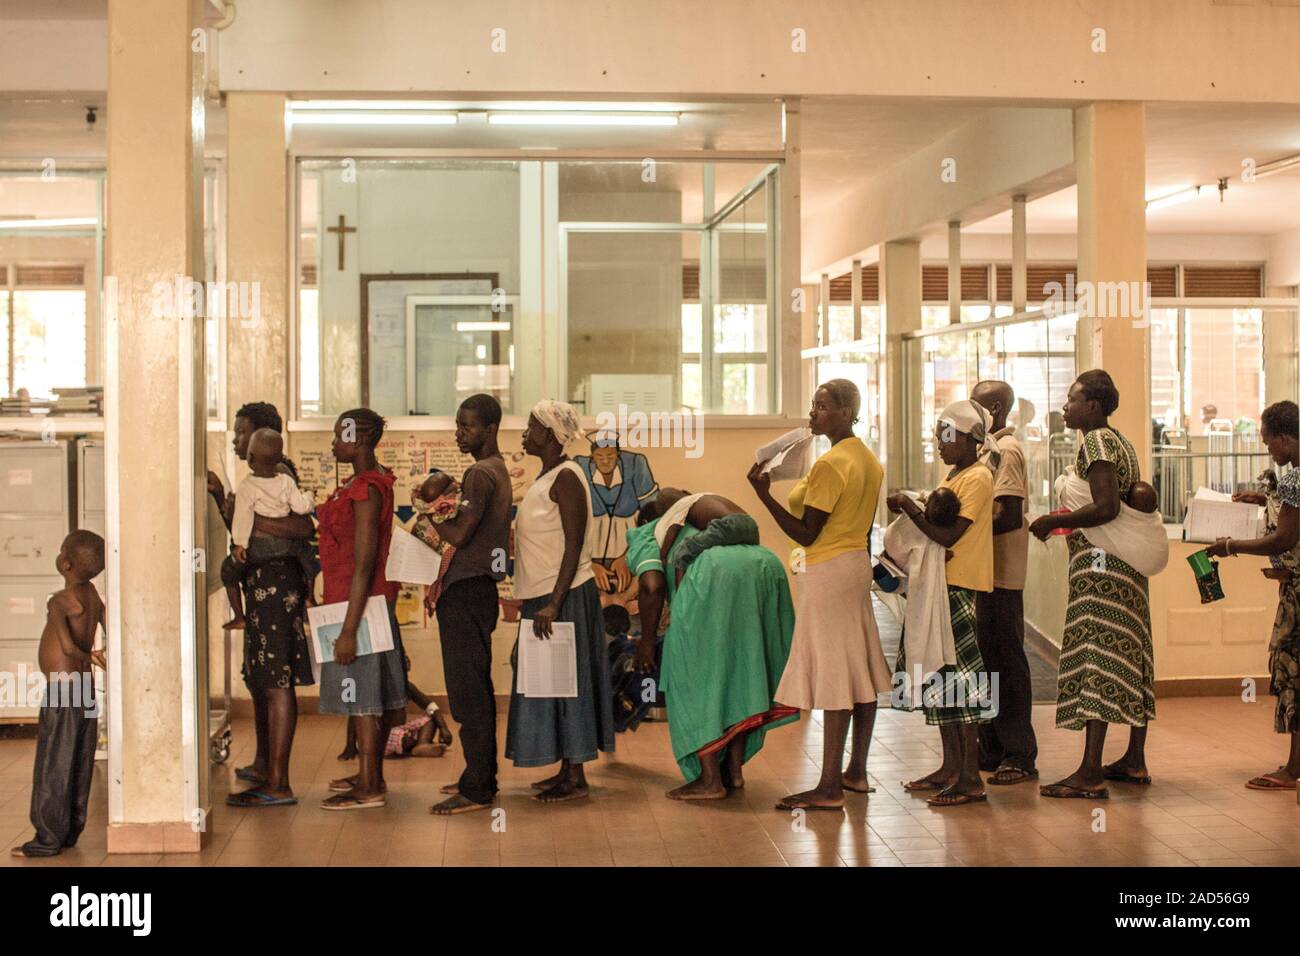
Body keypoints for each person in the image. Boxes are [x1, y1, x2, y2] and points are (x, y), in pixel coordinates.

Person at [747, 379, 892, 812]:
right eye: (813, 405)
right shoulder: (867, 459)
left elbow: (807, 532)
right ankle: (856, 770)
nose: (813, 413)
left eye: (823, 406)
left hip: (827, 569)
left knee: (834, 672)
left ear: (847, 413)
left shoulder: (831, 464)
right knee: (859, 669)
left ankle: (829, 786)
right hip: (852, 564)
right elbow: (860, 528)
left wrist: (763, 497)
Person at [1029, 370, 1155, 799]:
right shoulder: (1120, 441)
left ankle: (1090, 772)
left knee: (1097, 657)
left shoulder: (1098, 443)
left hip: (1102, 570)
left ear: (1094, 407)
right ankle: (1134, 760)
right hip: (1125, 569)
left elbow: (1105, 508)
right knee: (1130, 654)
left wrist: (1055, 520)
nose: (1065, 407)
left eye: (1072, 399)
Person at [628, 491, 798, 798]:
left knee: (697, 681)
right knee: (742, 676)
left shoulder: (646, 532)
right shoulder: (703, 516)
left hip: (712, 581)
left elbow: (651, 585)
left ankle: (709, 780)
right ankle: (732, 772)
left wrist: (647, 642)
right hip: (765, 565)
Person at [886, 399, 997, 807]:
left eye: (947, 435)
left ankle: (970, 776)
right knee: (939, 676)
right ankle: (951, 767)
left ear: (972, 438)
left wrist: (908, 506)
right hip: (939, 584)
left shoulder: (979, 478)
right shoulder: (957, 475)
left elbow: (948, 536)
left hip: (959, 585)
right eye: (938, 434)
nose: (940, 442)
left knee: (962, 680)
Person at [506, 400, 614, 802]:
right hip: (545, 595)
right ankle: (566, 768)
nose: (524, 434)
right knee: (548, 681)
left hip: (564, 596)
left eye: (532, 428)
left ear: (550, 435)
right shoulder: (546, 476)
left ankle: (576, 774)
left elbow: (574, 544)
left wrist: (554, 601)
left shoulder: (568, 477)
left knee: (568, 683)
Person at [209, 402, 316, 808]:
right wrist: (229, 504)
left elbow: (304, 527)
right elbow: (242, 536)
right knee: (262, 677)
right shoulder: (257, 479)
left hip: (276, 584)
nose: (237, 441)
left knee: (276, 679)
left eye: (242, 434)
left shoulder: (278, 474)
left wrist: (251, 518)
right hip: (263, 584)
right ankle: (267, 768)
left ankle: (278, 782)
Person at [419, 394, 513, 815]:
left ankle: (478, 788)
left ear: (489, 430)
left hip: (468, 591)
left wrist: (429, 511)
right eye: (457, 425)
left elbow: (458, 536)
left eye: (467, 426)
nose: (459, 433)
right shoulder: (494, 470)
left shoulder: (480, 473)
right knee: (472, 687)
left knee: (468, 692)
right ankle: (478, 776)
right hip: (476, 592)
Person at [1206, 400, 1300, 791]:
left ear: (1284, 438)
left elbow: (1285, 537)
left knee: (1291, 669)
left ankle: (1294, 767)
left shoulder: (1295, 477)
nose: (1269, 452)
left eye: (1269, 444)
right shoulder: (1292, 481)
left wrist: (1231, 546)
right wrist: (1264, 500)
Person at [318, 408, 408, 811]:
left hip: (361, 604)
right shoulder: (358, 484)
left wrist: (350, 630)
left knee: (366, 697)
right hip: (350, 601)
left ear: (361, 440)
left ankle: (371, 785)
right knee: (361, 697)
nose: (334, 443)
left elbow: (365, 562)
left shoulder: (367, 488)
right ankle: (369, 774)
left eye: (340, 436)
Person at [11, 531, 105, 858]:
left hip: (63, 691)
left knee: (55, 760)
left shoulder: (60, 601)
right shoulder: (92, 594)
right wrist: (100, 656)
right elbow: (106, 626)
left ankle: (47, 838)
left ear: (65, 562)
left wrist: (90, 656)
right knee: (79, 757)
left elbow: (67, 646)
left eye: (61, 549)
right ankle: (69, 830)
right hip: (85, 689)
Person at [970, 380, 1039, 786]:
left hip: (1002, 574)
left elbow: (1009, 514)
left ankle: (1019, 753)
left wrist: (965, 527)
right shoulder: (986, 450)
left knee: (1007, 662)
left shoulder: (1006, 451)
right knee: (987, 662)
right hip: (984, 571)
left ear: (995, 408)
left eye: (974, 404)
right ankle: (993, 746)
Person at [220, 428, 317, 630]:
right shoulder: (286, 482)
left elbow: (242, 518)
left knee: (228, 572)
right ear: (279, 458)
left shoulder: (247, 486)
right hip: (288, 545)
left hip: (258, 547)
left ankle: (239, 616)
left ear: (250, 458)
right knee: (310, 559)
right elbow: (301, 506)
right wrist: (309, 497)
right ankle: (310, 598)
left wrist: (239, 545)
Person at [574, 430, 658, 599]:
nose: (605, 461)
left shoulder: (636, 464)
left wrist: (628, 557)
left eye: (611, 456)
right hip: (590, 558)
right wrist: (588, 565)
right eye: (599, 456)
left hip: (629, 555)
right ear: (592, 456)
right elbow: (569, 525)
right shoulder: (579, 468)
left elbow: (652, 518)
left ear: (618, 454)